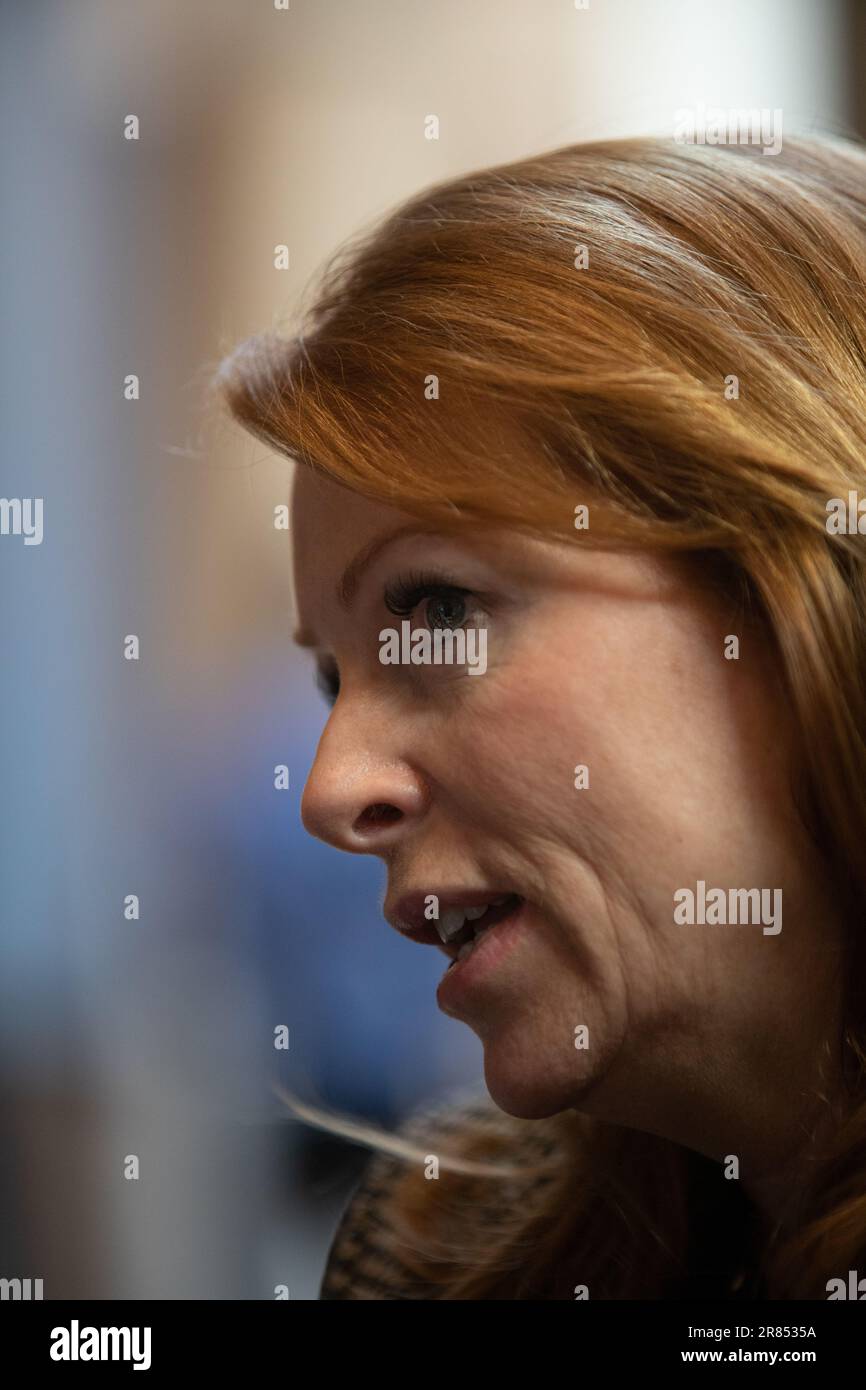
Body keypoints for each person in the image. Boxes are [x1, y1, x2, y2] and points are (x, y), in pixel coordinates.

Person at [217, 133, 866, 1299]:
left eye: (436, 611)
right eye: (332, 679)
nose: (326, 790)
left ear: (804, 599)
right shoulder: (421, 1260)